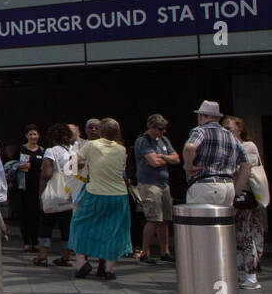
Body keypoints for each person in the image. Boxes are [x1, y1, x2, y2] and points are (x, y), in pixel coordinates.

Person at [69, 118, 132, 280]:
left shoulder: (91, 145)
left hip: (95, 192)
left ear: (101, 131)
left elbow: (74, 162)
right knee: (114, 230)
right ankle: (109, 269)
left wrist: (78, 170)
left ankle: (82, 262)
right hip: (119, 194)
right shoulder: (121, 149)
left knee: (80, 225)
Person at [222, 115, 265, 290]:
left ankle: (251, 274)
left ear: (239, 130)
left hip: (244, 196)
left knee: (246, 234)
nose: (227, 132)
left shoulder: (248, 146)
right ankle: (244, 272)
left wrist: (236, 191)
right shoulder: (230, 147)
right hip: (235, 195)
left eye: (229, 129)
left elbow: (245, 170)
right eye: (224, 129)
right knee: (238, 235)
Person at [133, 114, 179, 265]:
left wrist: (162, 157)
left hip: (163, 183)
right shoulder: (143, 140)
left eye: (164, 129)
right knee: (153, 218)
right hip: (149, 183)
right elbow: (153, 162)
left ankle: (164, 251)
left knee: (165, 219)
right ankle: (145, 252)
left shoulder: (164, 140)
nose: (163, 131)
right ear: (151, 127)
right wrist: (165, 158)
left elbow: (177, 159)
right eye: (160, 129)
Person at [184, 101, 249, 205]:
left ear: (200, 116)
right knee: (224, 221)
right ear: (218, 118)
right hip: (228, 186)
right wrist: (237, 191)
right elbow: (246, 165)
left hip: (206, 185)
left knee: (203, 221)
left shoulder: (201, 131)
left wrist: (188, 167)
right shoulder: (231, 136)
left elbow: (190, 147)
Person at [34, 123, 76, 266]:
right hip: (69, 193)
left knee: (46, 223)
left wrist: (40, 194)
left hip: (53, 193)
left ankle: (43, 256)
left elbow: (46, 174)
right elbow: (75, 174)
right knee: (67, 225)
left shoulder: (51, 151)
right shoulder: (74, 152)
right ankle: (66, 256)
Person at [16, 125, 44, 252]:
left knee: (37, 214)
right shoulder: (22, 149)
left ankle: (36, 240)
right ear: (26, 136)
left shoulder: (42, 151)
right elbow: (18, 165)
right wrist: (21, 166)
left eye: (35, 134)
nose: (33, 137)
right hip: (25, 184)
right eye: (30, 134)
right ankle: (27, 241)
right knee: (25, 213)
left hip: (38, 184)